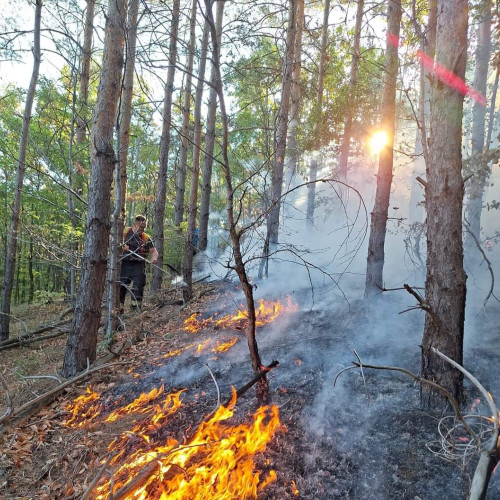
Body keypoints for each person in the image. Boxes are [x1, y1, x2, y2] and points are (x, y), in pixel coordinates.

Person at [119, 215, 159, 312]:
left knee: (138, 286)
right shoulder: (125, 232)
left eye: (144, 227)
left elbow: (154, 251)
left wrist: (154, 258)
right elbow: (111, 238)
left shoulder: (145, 237)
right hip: (124, 264)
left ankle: (135, 310)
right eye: (141, 227)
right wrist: (122, 245)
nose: (143, 229)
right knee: (121, 286)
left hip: (138, 265)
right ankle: (119, 310)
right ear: (135, 225)